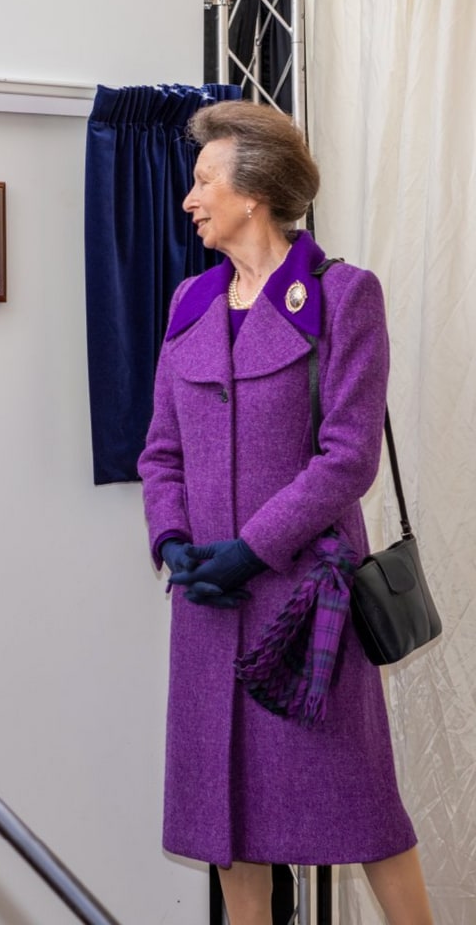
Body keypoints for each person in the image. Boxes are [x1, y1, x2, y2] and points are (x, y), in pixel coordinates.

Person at [136, 100, 433, 925]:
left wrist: (250, 550)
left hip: (306, 607)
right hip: (207, 609)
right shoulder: (189, 303)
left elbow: (348, 456)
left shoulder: (343, 296)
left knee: (366, 813)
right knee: (226, 829)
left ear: (253, 191)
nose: (190, 199)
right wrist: (173, 540)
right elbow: (159, 451)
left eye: (203, 182)